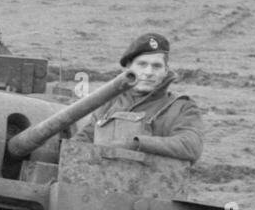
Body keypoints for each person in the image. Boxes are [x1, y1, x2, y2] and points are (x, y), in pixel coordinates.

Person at [71, 32, 203, 163]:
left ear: (166, 71)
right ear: (129, 67)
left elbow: (191, 145)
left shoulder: (181, 106)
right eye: (142, 64)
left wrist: (136, 143)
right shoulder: (109, 103)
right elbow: (83, 140)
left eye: (156, 66)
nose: (149, 72)